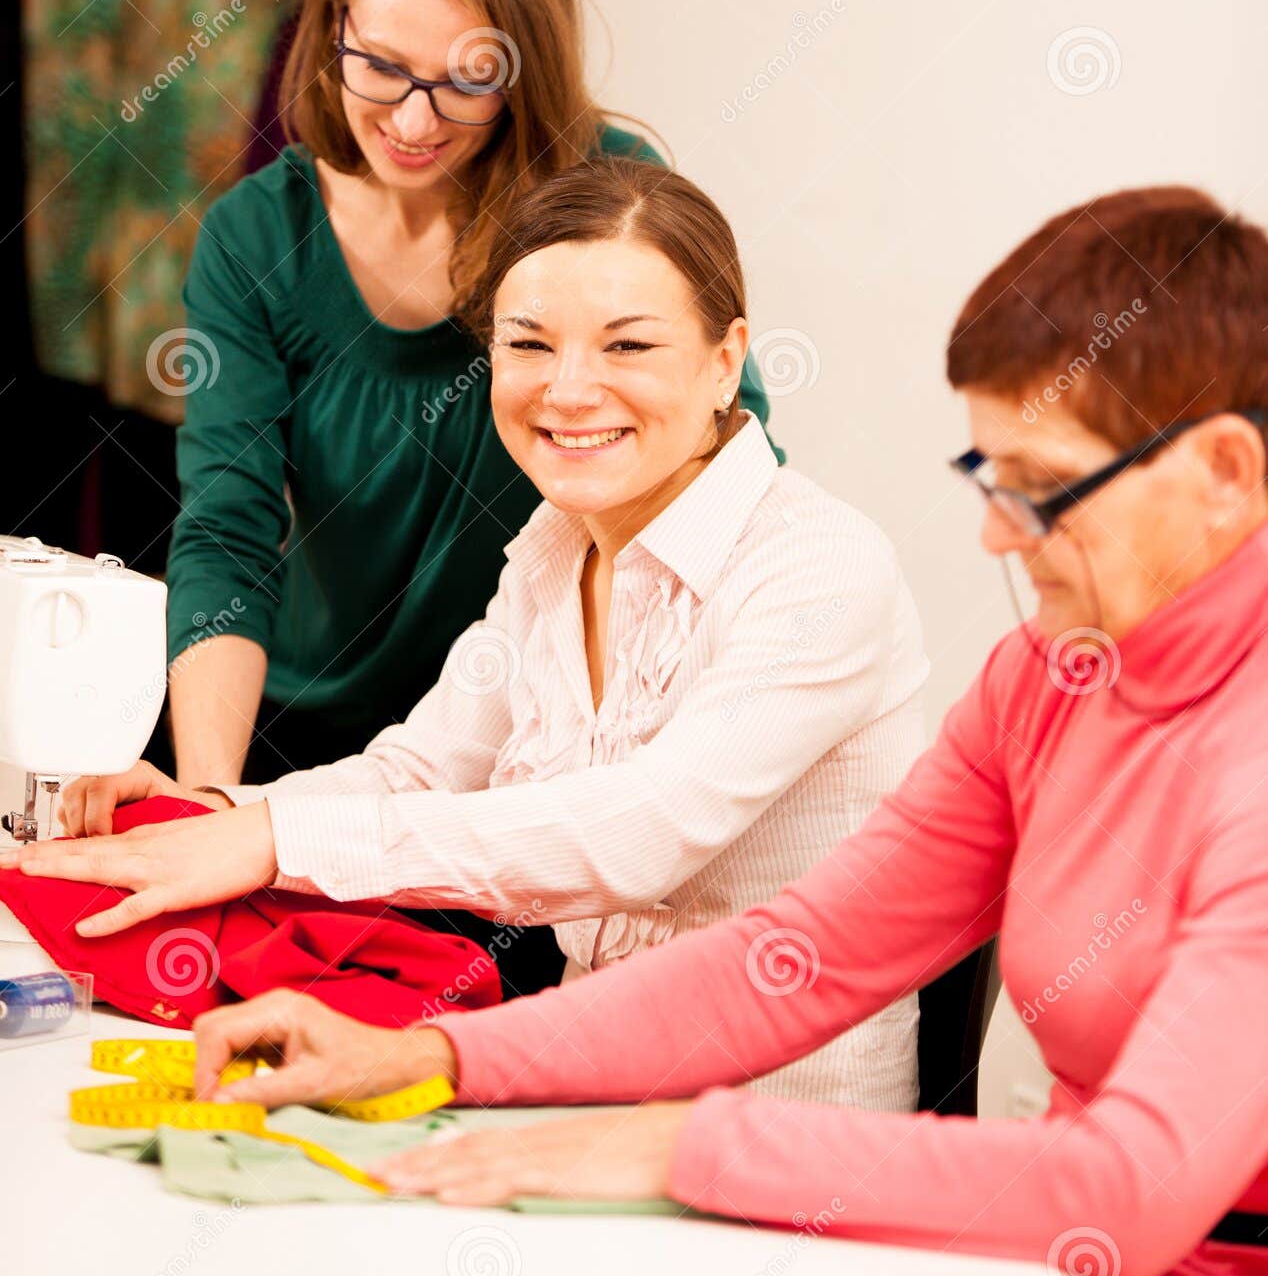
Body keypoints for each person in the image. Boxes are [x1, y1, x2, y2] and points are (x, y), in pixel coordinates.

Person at [181, 186, 1263, 1276]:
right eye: (990, 479)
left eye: (1041, 490)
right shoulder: (1044, 677)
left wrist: (679, 1142)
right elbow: (797, 958)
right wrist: (428, 1055)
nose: (993, 531)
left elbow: (1126, 1192)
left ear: (1225, 473)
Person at [10, 159, 929, 1110]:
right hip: (579, 1101)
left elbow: (643, 830)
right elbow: (421, 768)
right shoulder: (554, 545)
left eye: (628, 347)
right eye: (529, 345)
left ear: (725, 361)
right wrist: (216, 814)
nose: (568, 391)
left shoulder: (819, 566)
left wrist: (276, 840)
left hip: (790, 1144)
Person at [157, 0, 778, 994]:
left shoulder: (598, 204)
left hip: (523, 757)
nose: (411, 116)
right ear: (329, 29)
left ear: (524, 68)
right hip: (303, 748)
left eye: (464, 79)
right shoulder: (262, 236)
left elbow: (726, 461)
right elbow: (227, 529)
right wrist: (211, 800)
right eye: (379, 66)